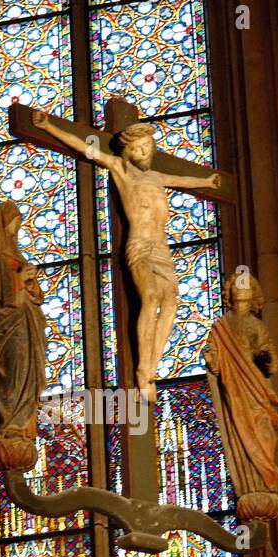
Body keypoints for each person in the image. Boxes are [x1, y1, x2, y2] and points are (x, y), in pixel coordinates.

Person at [32, 110, 219, 402]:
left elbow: (182, 179)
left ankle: (152, 365)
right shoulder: (120, 169)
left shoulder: (157, 176)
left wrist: (207, 182)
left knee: (172, 301)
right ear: (127, 152)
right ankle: (144, 370)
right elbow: (85, 148)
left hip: (161, 247)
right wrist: (50, 126)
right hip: (140, 244)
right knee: (151, 298)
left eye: (147, 146)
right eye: (137, 148)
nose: (144, 152)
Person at [205, 269, 278, 522]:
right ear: (229, 292)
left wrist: (266, 360)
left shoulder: (257, 326)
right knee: (240, 436)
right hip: (235, 393)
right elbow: (215, 365)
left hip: (256, 393)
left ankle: (264, 480)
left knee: (261, 433)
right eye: (236, 285)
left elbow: (270, 360)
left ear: (253, 294)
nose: (240, 289)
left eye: (245, 285)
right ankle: (249, 483)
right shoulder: (221, 329)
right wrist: (212, 360)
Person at [0, 201, 47, 471]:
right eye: (13, 221)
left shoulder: (15, 254)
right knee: (14, 374)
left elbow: (32, 297)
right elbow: (3, 299)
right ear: (2, 223)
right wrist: (20, 277)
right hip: (9, 329)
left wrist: (29, 282)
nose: (16, 227)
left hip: (29, 325)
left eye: (19, 221)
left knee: (31, 377)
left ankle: (24, 423)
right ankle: (10, 425)